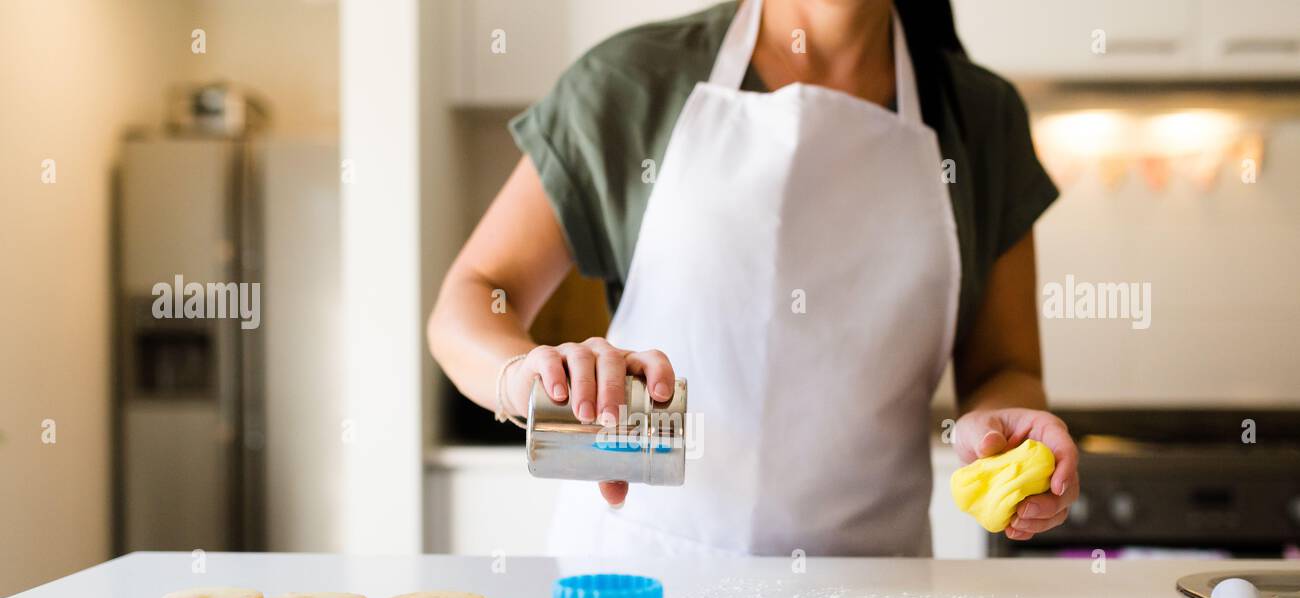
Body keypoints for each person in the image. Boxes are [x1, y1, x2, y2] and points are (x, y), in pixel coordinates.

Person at [427, 0, 1079, 557]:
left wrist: (1004, 429)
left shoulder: (982, 121)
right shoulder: (633, 83)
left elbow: (1005, 367)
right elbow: (473, 294)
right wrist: (526, 375)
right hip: (637, 597)